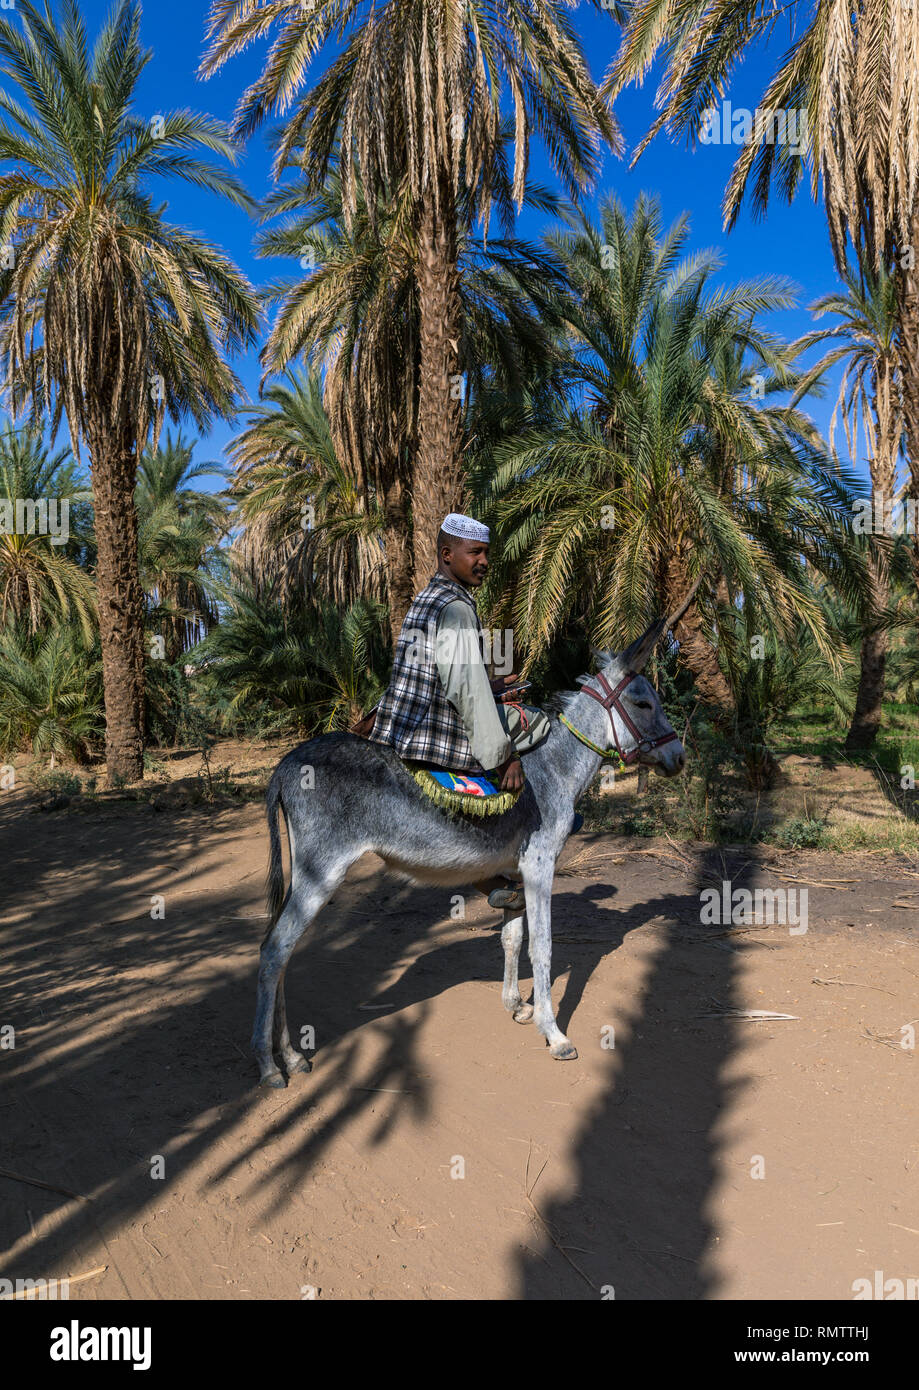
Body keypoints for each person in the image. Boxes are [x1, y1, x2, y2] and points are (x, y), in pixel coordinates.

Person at [369, 512, 551, 909]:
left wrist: (492, 687)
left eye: (487, 553)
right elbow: (466, 692)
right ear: (448, 554)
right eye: (476, 553)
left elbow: (428, 673)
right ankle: (527, 838)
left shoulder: (427, 598)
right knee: (534, 724)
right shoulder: (456, 608)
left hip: (399, 728)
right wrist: (505, 760)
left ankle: (489, 873)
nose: (485, 561)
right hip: (433, 732)